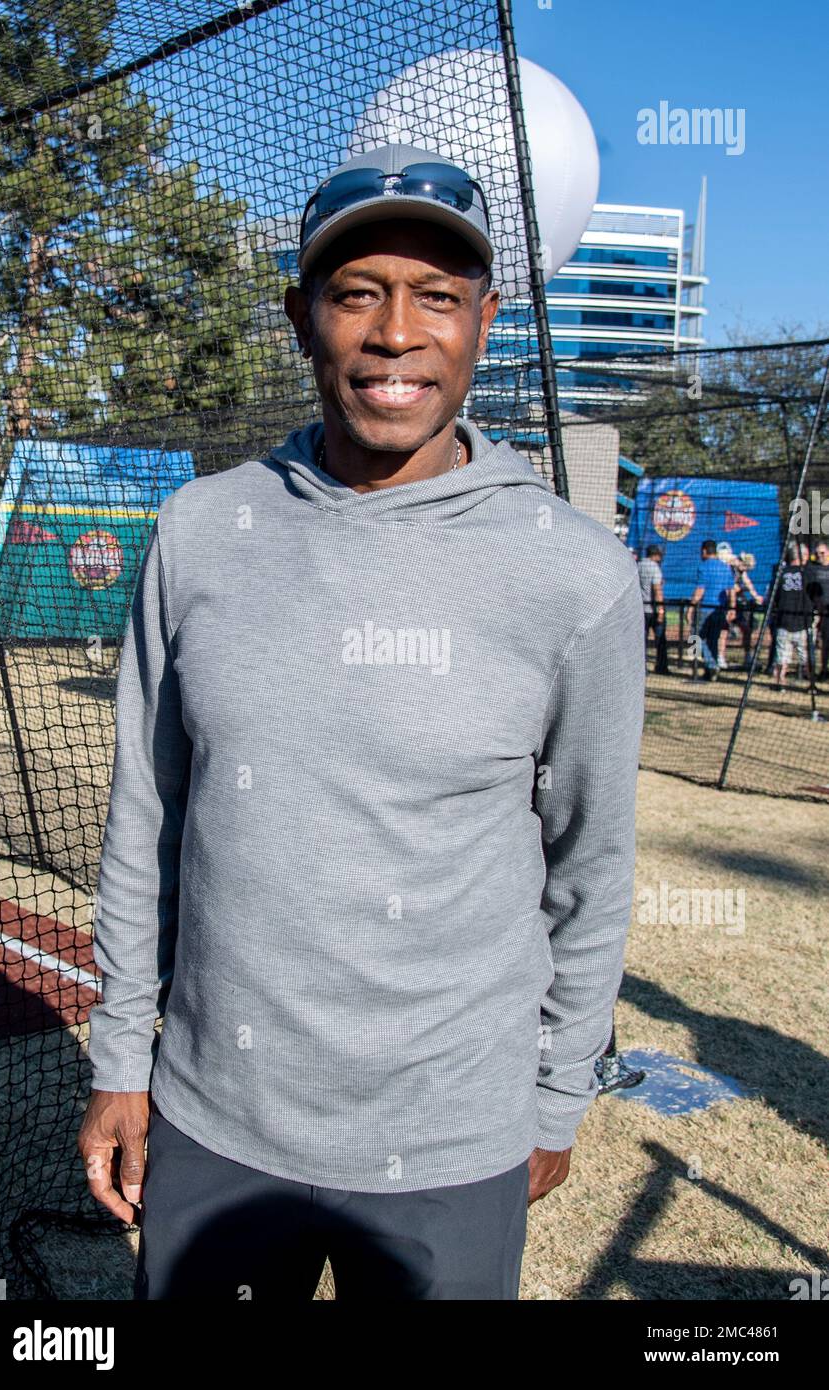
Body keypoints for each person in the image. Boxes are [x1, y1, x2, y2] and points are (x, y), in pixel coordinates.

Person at [78, 144, 645, 1302]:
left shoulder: (573, 574)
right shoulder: (200, 533)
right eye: (356, 292)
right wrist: (120, 1057)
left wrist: (551, 1095)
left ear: (483, 321)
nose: (397, 332)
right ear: (302, 318)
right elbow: (144, 815)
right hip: (215, 1119)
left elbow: (588, 863)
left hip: (451, 1141)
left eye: (437, 295)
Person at [686, 539, 737, 682]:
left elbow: (700, 590)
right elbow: (731, 590)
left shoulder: (704, 567)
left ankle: (711, 665)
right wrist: (732, 608)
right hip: (720, 609)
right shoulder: (725, 567)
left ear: (704, 551)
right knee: (713, 640)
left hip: (706, 608)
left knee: (696, 637)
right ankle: (710, 672)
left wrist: (690, 607)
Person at [773, 540, 813, 689]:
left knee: (782, 655)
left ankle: (780, 682)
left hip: (784, 620)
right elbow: (815, 595)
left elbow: (774, 596)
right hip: (803, 622)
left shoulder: (781, 573)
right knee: (807, 656)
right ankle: (811, 684)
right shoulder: (808, 572)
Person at [727, 551, 764, 669]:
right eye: (746, 567)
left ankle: (748, 656)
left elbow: (747, 583)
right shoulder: (730, 567)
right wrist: (743, 590)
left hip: (737, 603)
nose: (746, 571)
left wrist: (756, 596)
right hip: (726, 603)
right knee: (722, 630)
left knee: (747, 629)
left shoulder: (740, 570)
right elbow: (732, 588)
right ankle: (719, 657)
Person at [636, 544, 669, 674]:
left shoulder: (638, 565)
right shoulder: (654, 567)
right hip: (652, 609)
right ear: (655, 555)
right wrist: (661, 610)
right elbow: (657, 589)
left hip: (641, 608)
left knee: (641, 641)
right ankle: (661, 666)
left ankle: (641, 669)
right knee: (660, 640)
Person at [805, 539, 829, 679]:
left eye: (822, 552)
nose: (820, 555)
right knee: (822, 642)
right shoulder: (812, 569)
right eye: (817, 553)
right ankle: (821, 670)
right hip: (818, 611)